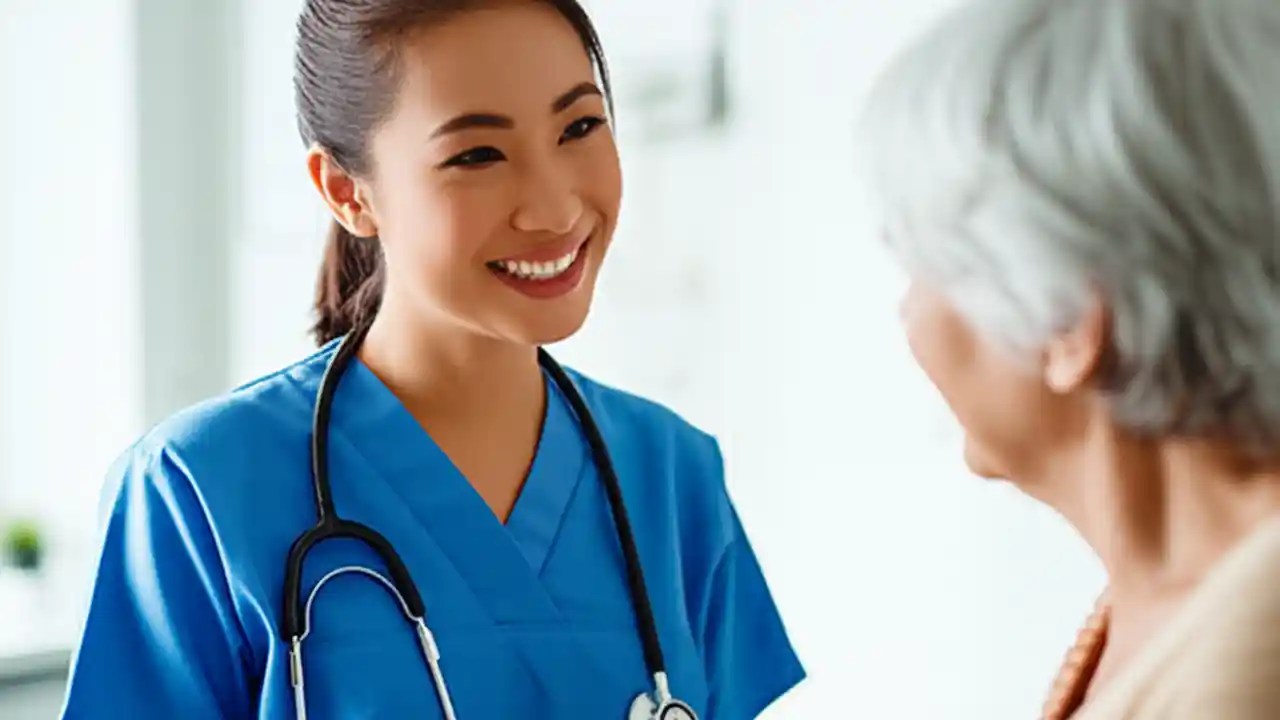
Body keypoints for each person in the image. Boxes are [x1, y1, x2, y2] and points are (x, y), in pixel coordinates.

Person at [60, 1, 804, 717]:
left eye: (579, 126)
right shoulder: (198, 490)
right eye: (477, 154)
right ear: (348, 191)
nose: (552, 209)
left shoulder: (671, 475)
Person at [859, 0, 1280, 717]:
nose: (907, 313)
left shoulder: (1249, 666)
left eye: (925, 266)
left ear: (1068, 323)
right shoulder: (1169, 600)